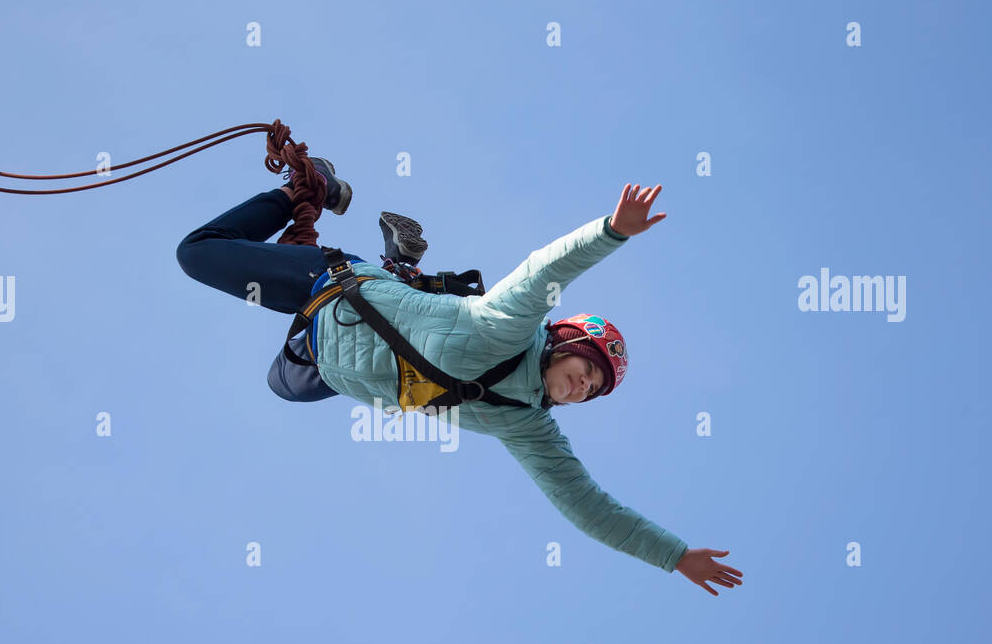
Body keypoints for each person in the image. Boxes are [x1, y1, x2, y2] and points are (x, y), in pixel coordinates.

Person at [176, 161, 743, 596]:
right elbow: (546, 269)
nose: (582, 388)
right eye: (586, 371)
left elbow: (587, 506)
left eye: (592, 392)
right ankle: (311, 190)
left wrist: (673, 555)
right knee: (198, 254)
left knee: (282, 385)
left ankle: (404, 271)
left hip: (325, 360)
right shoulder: (508, 324)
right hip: (332, 288)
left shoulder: (527, 428)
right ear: (566, 343)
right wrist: (611, 231)